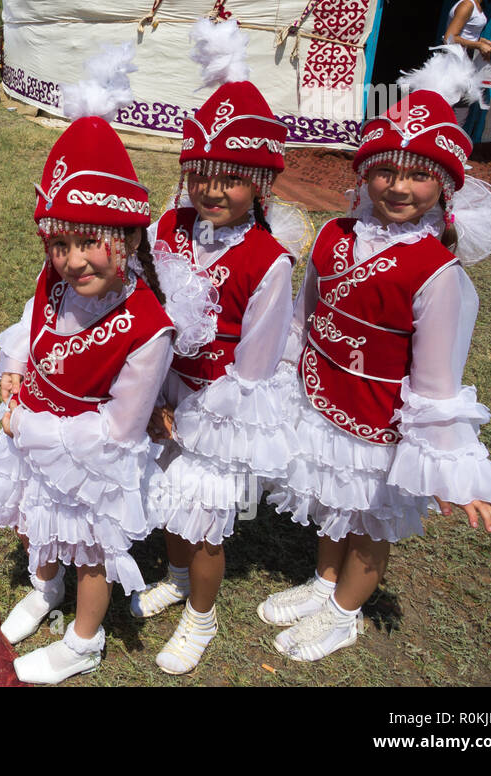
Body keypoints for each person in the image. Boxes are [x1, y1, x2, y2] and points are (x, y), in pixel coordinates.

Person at [259, 87, 491, 663]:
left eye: (419, 175)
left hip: (383, 422)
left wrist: (454, 466)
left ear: (444, 187)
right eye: (386, 171)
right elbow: (301, 321)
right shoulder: (331, 235)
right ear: (365, 175)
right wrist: (283, 378)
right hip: (325, 399)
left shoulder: (437, 272)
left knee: (371, 518)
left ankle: (345, 612)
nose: (399, 187)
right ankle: (324, 583)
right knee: (331, 495)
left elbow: (437, 381)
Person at [0, 113, 175, 684]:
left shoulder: (147, 328)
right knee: (30, 517)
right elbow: (27, 327)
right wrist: (13, 369)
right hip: (29, 423)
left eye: (91, 241)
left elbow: (119, 429)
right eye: (61, 242)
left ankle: (85, 640)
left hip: (88, 457)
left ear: (131, 239)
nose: (73, 259)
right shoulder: (54, 280)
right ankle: (45, 589)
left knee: (90, 550)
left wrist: (27, 430)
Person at [134, 70, 297, 675]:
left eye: (232, 178)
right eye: (201, 173)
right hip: (163, 392)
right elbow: (143, 307)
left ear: (260, 184)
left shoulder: (268, 262)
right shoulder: (168, 231)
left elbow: (254, 366)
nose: (212, 189)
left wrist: (194, 420)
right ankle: (177, 580)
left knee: (203, 519)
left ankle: (202, 616)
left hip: (221, 408)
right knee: (167, 500)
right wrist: (150, 396)